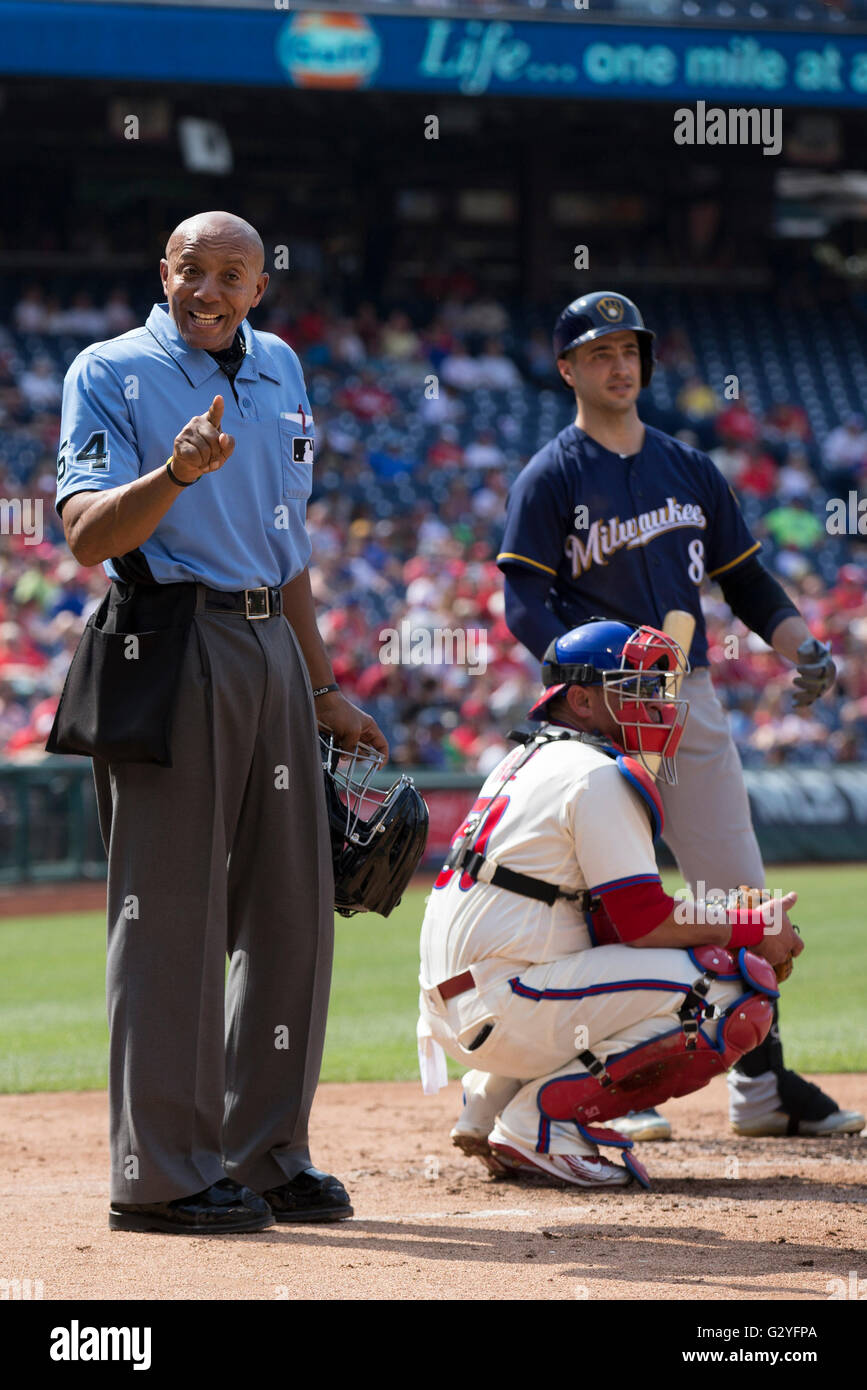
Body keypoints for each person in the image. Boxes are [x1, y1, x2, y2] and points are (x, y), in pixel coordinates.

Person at [50, 210, 387, 1234]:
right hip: (168, 636)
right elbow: (81, 534)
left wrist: (323, 683)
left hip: (270, 648)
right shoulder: (107, 369)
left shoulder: (280, 366)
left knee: (292, 912)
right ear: (165, 271)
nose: (208, 287)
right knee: (172, 919)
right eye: (191, 268)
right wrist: (177, 473)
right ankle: (159, 1175)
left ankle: (265, 1148)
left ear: (259, 288)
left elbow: (286, 548)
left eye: (230, 274)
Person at [482, 290, 862, 1144]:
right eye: (599, 351)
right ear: (567, 367)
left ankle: (760, 1087)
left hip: (685, 700)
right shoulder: (551, 474)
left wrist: (799, 643)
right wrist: (585, 680)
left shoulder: (690, 468)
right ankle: (606, 1071)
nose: (619, 365)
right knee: (593, 905)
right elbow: (521, 602)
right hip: (596, 714)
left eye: (630, 351)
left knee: (735, 887)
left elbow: (746, 582)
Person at [418, 619, 803, 1188]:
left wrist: (726, 920)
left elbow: (608, 924)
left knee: (642, 964)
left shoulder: (521, 762)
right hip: (505, 1002)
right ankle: (540, 1122)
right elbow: (643, 921)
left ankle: (490, 1100)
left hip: (465, 1005)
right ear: (580, 699)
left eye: (656, 689)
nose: (655, 704)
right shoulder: (595, 775)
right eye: (635, 688)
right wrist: (751, 927)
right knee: (734, 984)